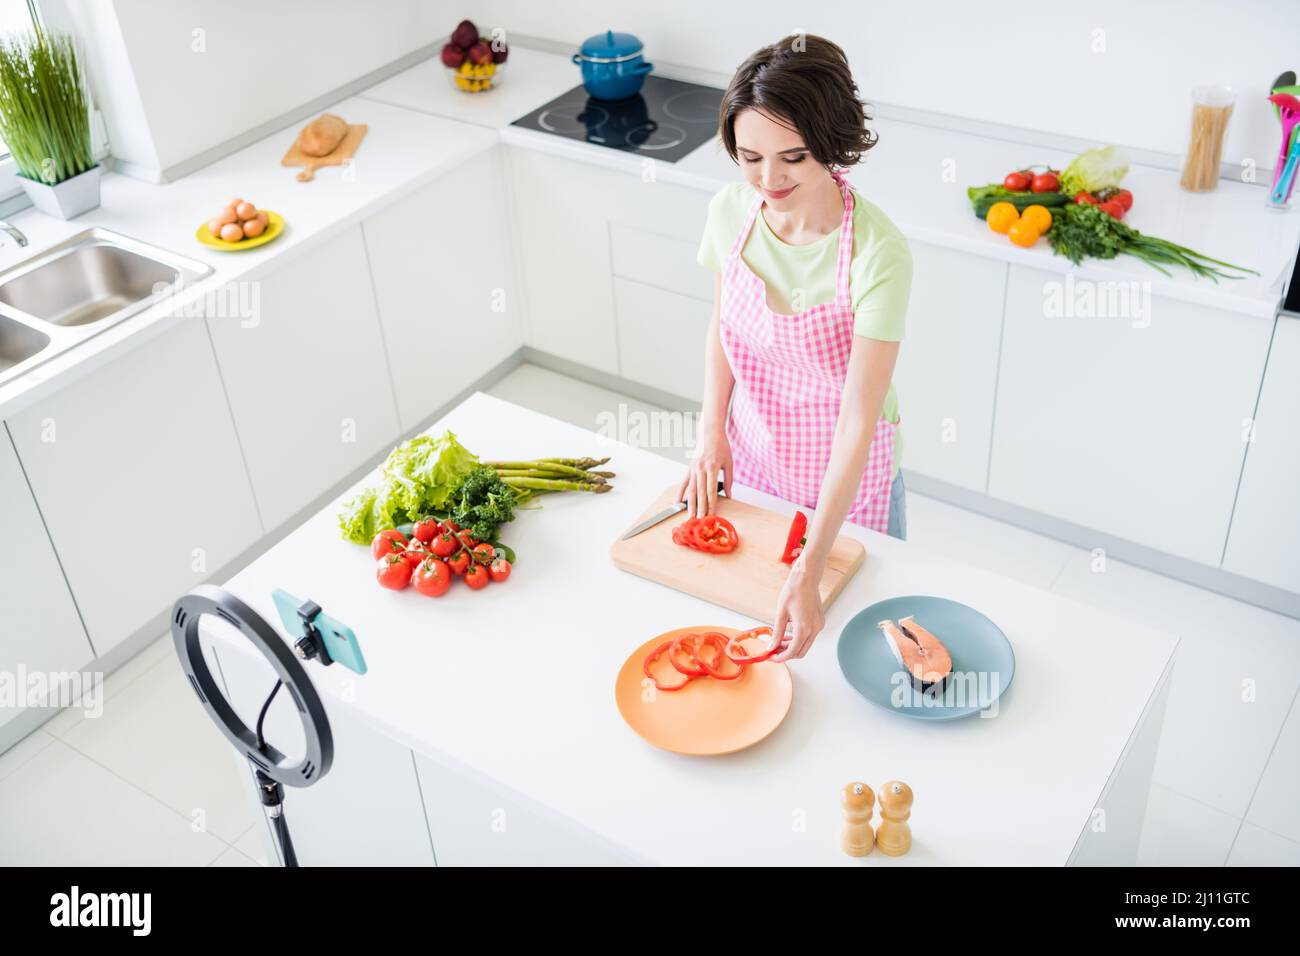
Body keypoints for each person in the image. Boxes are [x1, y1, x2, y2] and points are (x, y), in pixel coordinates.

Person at [679, 34, 913, 662]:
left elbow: (858, 419)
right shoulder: (731, 211)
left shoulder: (877, 251)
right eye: (749, 156)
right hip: (757, 459)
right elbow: (722, 326)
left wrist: (810, 568)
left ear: (831, 145)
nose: (769, 179)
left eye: (794, 157)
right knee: (756, 627)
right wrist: (712, 433)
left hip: (849, 481)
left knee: (857, 645)